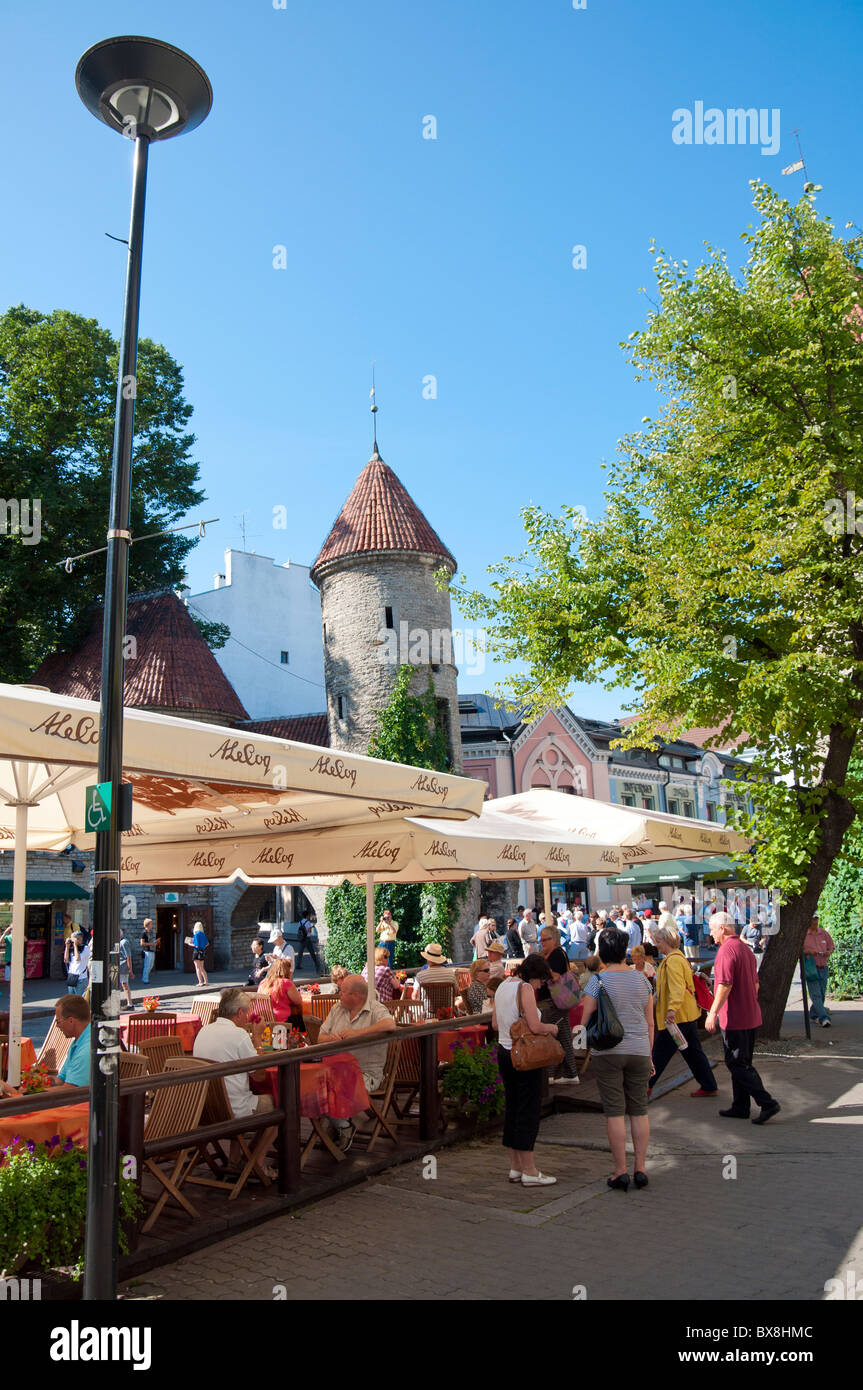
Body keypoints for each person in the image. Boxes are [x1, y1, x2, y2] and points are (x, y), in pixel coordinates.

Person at [580, 927, 654, 1190]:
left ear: (602, 951)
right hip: (639, 1050)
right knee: (639, 1111)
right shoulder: (643, 979)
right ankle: (641, 1168)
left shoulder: (597, 982)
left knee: (614, 1113)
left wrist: (582, 1046)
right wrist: (650, 1053)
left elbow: (585, 1019)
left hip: (608, 1052)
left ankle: (620, 1171)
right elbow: (650, 1022)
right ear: (624, 951)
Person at [705, 912, 780, 1124]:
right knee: (742, 1061)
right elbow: (755, 984)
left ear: (722, 928)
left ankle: (767, 1103)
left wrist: (712, 1012)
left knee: (737, 1063)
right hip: (749, 1014)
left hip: (735, 1017)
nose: (710, 933)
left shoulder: (726, 950)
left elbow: (725, 984)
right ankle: (740, 1106)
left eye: (712, 928)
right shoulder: (744, 950)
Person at [492, 954, 560, 1186]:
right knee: (528, 1111)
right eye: (541, 980)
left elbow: (495, 1024)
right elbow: (535, 1026)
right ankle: (530, 1170)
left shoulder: (502, 986)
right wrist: (551, 1028)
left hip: (504, 1052)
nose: (540, 985)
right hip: (523, 1056)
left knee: (513, 1108)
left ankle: (515, 1167)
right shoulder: (525, 989)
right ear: (534, 976)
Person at [193, 989, 276, 1170]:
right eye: (246, 1013)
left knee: (240, 1091)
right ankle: (258, 1165)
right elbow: (260, 1076)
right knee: (280, 1106)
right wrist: (258, 1037)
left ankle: (236, 1158)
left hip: (206, 1110)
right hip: (233, 1112)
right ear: (239, 1013)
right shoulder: (238, 1036)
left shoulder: (203, 1031)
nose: (247, 1017)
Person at [318, 974, 396, 1151]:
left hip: (365, 1074)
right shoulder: (338, 1009)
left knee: (327, 1088)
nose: (339, 995)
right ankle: (340, 1122)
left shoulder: (375, 1008)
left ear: (357, 996)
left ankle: (343, 1126)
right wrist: (331, 1038)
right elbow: (319, 1038)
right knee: (310, 1087)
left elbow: (390, 1025)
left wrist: (359, 1034)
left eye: (343, 992)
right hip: (333, 1070)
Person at [649, 923, 717, 1098]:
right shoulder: (678, 958)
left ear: (666, 942)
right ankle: (709, 1084)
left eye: (658, 941)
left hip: (677, 1017)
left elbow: (677, 987)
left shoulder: (672, 961)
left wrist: (671, 1010)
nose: (656, 944)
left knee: (659, 1054)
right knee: (692, 1052)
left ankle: (645, 1086)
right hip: (685, 1014)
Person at [1, 995, 92, 1098]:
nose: (57, 1026)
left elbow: (71, 1089)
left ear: (71, 1020)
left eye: (58, 1021)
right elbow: (60, 1079)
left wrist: (31, 1094)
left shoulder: (86, 1048)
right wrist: (38, 1082)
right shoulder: (79, 1041)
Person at [538, 923, 581, 1084]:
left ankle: (550, 1074)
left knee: (550, 1035)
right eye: (541, 940)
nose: (542, 943)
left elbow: (555, 976)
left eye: (545, 940)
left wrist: (541, 964)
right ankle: (570, 1073)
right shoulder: (553, 954)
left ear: (554, 940)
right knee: (562, 1035)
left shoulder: (556, 954)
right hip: (555, 1000)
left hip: (554, 1000)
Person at [803, 914, 835, 1028]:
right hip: (811, 967)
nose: (815, 922)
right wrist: (809, 951)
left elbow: (831, 946)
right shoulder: (804, 935)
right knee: (815, 994)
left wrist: (829, 952)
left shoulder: (823, 933)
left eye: (816, 919)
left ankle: (813, 1013)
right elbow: (800, 950)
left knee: (821, 994)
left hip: (823, 967)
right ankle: (824, 1018)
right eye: (812, 920)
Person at [258, 958, 305, 1028]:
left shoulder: (263, 982)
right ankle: (301, 1038)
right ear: (286, 971)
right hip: (282, 1021)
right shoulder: (285, 982)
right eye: (290, 969)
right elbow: (298, 1001)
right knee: (303, 1020)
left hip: (265, 1021)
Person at [190, 920, 209, 987]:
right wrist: (203, 946)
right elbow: (207, 943)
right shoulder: (203, 934)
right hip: (202, 951)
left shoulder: (196, 934)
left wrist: (190, 944)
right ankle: (206, 981)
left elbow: (196, 945)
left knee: (197, 968)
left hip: (196, 952)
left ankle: (200, 982)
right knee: (202, 968)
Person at [118, 931, 134, 1007]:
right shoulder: (119, 942)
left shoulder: (124, 942)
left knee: (125, 984)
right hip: (119, 966)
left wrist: (130, 970)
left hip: (123, 967)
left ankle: (130, 1003)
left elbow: (128, 957)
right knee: (122, 985)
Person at [139, 918, 156, 985]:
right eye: (151, 924)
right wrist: (151, 944)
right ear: (148, 924)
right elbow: (142, 943)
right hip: (147, 950)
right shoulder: (144, 933)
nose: (152, 925)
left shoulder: (151, 932)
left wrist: (154, 942)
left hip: (152, 950)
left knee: (151, 965)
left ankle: (145, 977)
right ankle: (145, 979)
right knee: (147, 965)